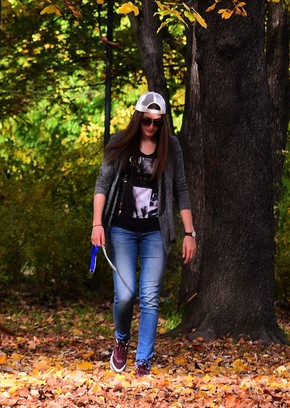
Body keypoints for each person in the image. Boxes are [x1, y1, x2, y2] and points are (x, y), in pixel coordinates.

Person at [91, 90, 196, 376]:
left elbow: (181, 189)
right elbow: (102, 183)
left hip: (154, 233)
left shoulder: (171, 148)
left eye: (157, 122)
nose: (152, 126)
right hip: (122, 229)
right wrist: (97, 223)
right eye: (147, 121)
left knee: (150, 296)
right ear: (139, 118)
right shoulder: (120, 142)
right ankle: (121, 340)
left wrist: (190, 233)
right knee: (125, 294)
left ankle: (143, 360)